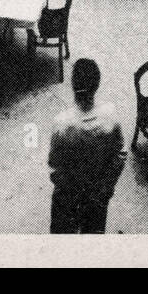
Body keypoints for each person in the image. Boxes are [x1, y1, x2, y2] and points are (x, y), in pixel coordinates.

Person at [47, 58, 126, 235]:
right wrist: (106, 186)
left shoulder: (62, 123)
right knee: (93, 238)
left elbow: (54, 165)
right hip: (97, 193)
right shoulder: (111, 115)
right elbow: (120, 154)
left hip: (68, 195)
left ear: (72, 85)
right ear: (97, 85)